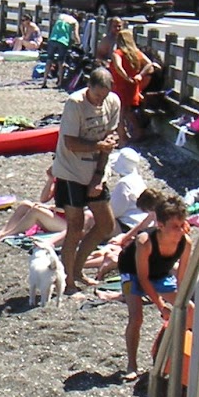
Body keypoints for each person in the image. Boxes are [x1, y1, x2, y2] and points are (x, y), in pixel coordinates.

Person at [55, 67, 122, 295]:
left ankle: (78, 269)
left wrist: (98, 176)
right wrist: (98, 146)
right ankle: (67, 280)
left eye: (103, 97)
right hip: (70, 170)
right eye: (96, 96)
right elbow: (70, 143)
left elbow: (111, 137)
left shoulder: (113, 102)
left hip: (94, 169)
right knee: (75, 227)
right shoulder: (75, 104)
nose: (99, 101)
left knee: (106, 224)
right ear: (88, 87)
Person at [119, 196, 193, 378]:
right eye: (175, 226)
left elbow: (181, 280)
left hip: (160, 273)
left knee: (190, 310)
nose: (180, 230)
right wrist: (161, 307)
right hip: (133, 272)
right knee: (136, 317)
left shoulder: (185, 243)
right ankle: (132, 364)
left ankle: (164, 348)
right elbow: (143, 279)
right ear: (160, 224)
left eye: (182, 224)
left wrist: (179, 304)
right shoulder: (145, 242)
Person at [109, 27, 159, 141]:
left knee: (120, 114)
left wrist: (125, 77)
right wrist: (140, 75)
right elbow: (149, 64)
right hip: (132, 86)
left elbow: (118, 66)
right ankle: (138, 132)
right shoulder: (136, 53)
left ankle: (123, 138)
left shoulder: (117, 53)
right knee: (128, 110)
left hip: (121, 85)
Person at [43, 9, 79, 85]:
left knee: (49, 60)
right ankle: (60, 82)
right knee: (61, 62)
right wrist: (79, 42)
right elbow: (75, 35)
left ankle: (44, 80)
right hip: (63, 41)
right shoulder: (74, 21)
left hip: (53, 38)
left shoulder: (61, 16)